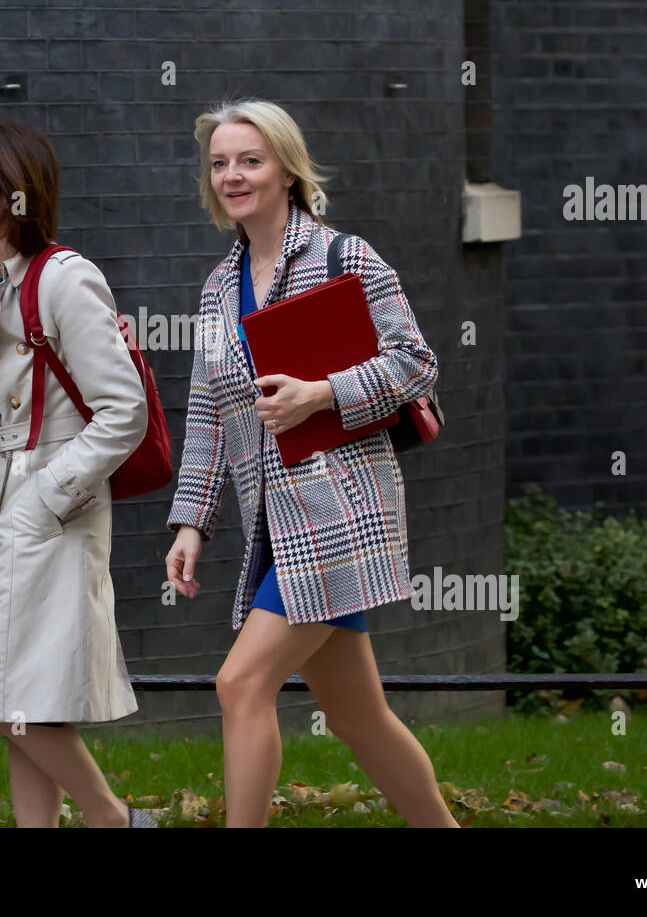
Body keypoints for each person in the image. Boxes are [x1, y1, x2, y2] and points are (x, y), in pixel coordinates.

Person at [164, 99, 460, 828]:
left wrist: (322, 392)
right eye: (220, 163)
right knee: (359, 718)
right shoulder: (214, 287)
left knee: (240, 682)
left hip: (341, 512)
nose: (233, 175)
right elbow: (208, 410)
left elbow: (417, 363)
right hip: (277, 528)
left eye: (250, 160)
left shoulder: (342, 256)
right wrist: (191, 522)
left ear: (288, 171)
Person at [0, 120, 156, 828]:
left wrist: (39, 502)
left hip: (51, 508)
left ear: (13, 193)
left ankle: (113, 819)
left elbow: (125, 412)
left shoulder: (64, 277)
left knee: (2, 694)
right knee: (15, 695)